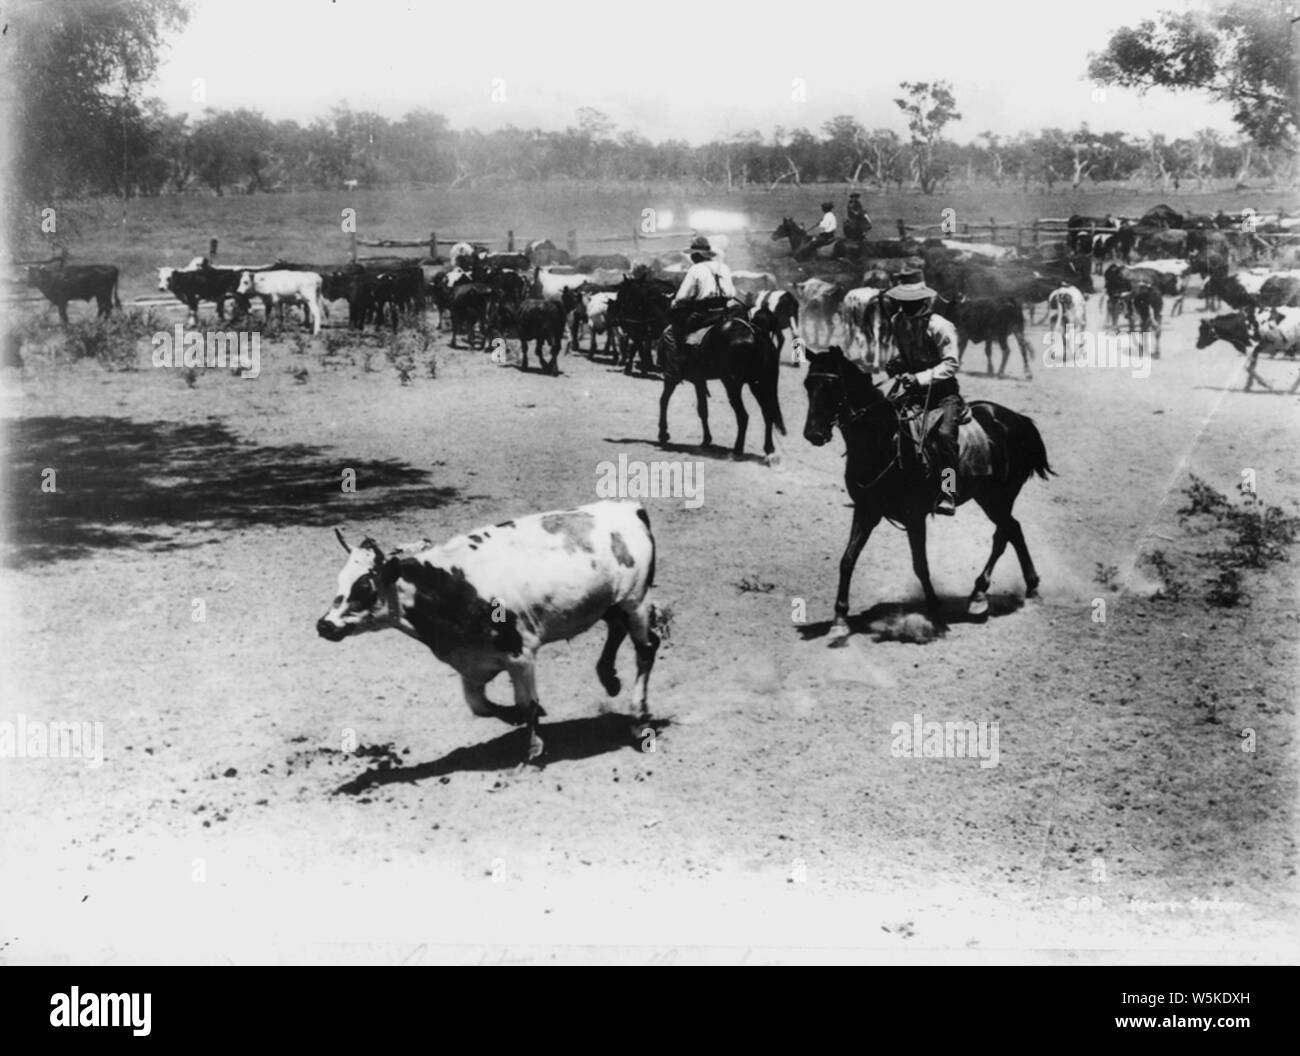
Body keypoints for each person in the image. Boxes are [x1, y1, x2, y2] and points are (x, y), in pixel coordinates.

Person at [882, 271, 962, 515]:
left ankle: (949, 490)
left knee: (946, 437)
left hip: (942, 393)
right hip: (911, 391)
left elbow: (951, 364)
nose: (906, 306)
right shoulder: (897, 321)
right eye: (903, 302)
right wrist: (896, 364)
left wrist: (919, 378)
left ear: (924, 300)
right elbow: (902, 354)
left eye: (911, 302)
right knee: (883, 421)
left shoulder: (940, 326)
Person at [665, 235, 736, 351]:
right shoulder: (724, 267)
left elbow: (682, 297)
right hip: (724, 313)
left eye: (693, 254)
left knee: (671, 333)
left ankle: (680, 363)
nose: (691, 256)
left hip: (703, 315)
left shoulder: (695, 269)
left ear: (697, 255)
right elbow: (731, 293)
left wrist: (674, 302)